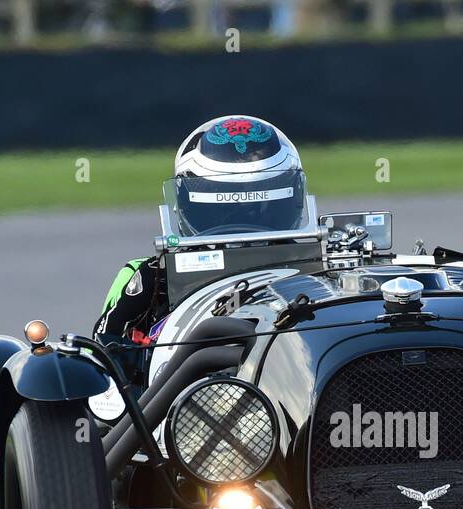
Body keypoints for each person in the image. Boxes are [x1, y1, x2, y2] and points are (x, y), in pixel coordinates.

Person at [93, 114, 306, 378]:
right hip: (181, 402)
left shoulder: (321, 266)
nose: (242, 220)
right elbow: (102, 351)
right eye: (227, 210)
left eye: (255, 209)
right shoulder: (149, 274)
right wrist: (138, 358)